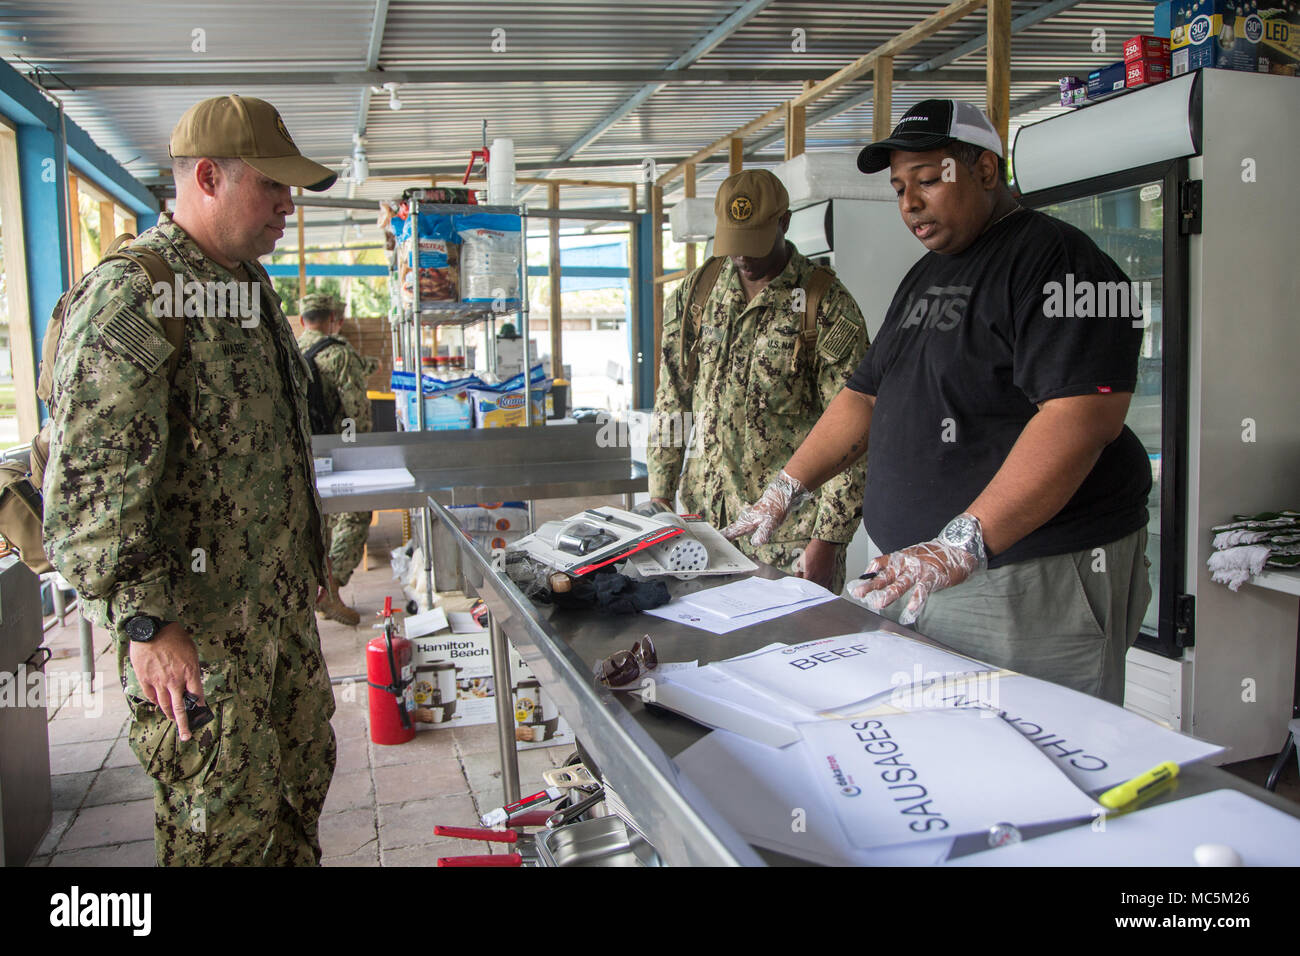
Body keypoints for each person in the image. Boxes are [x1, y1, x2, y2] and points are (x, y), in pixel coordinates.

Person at [724, 100, 1152, 704]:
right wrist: (785, 487)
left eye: (928, 180)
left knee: (1038, 760)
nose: (909, 203)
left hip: (1029, 572)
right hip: (927, 569)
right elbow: (864, 395)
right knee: (955, 762)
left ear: (984, 171)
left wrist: (963, 542)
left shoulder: (1061, 263)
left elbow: (1081, 419)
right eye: (900, 188)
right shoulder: (929, 273)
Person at [43, 94, 340, 865]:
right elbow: (88, 496)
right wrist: (147, 626)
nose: (287, 205)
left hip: (274, 620)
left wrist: (304, 560)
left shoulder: (247, 286)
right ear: (207, 176)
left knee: (297, 798)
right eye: (271, 186)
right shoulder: (136, 293)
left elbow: (264, 448)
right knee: (223, 833)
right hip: (199, 642)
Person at [648, 169, 870, 593]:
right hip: (706, 530)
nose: (742, 258)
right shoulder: (697, 293)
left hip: (790, 540)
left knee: (789, 654)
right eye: (732, 245)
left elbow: (853, 430)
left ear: (783, 222)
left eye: (753, 243)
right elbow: (671, 398)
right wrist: (661, 490)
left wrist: (829, 538)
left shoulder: (825, 305)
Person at [297, 291, 373, 626]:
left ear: (303, 320)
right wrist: (361, 450)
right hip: (334, 451)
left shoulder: (289, 349)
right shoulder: (338, 353)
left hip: (296, 454)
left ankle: (312, 593)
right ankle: (329, 590)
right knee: (355, 516)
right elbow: (357, 412)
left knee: (316, 524)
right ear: (333, 319)